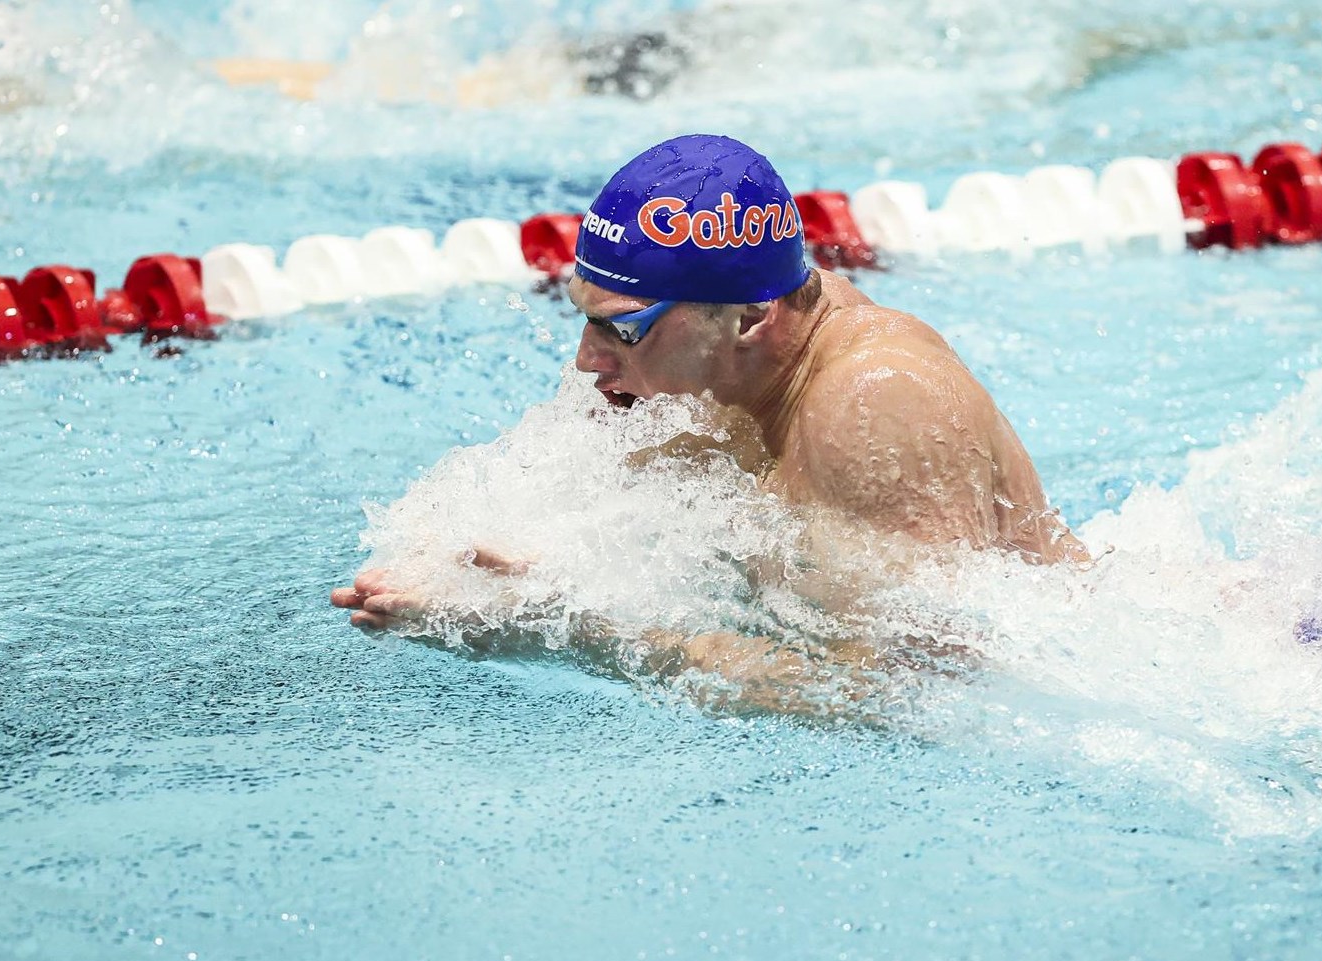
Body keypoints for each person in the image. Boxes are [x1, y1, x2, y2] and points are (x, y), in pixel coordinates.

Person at [332, 134, 1088, 704]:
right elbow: (575, 499)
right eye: (584, 317)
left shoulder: (876, 403)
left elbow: (904, 691)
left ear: (750, 318)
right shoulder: (721, 365)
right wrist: (477, 568)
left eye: (622, 328)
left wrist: (571, 631)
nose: (587, 360)